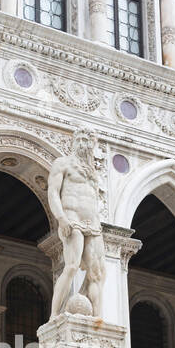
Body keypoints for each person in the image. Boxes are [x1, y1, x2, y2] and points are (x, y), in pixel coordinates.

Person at [47, 130, 105, 319]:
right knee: (71, 266)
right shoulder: (62, 163)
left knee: (96, 273)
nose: (82, 143)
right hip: (72, 218)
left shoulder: (93, 171)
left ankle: (98, 318)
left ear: (91, 145)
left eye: (86, 140)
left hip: (93, 223)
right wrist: (61, 218)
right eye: (78, 140)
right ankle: (54, 315)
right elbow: (53, 193)